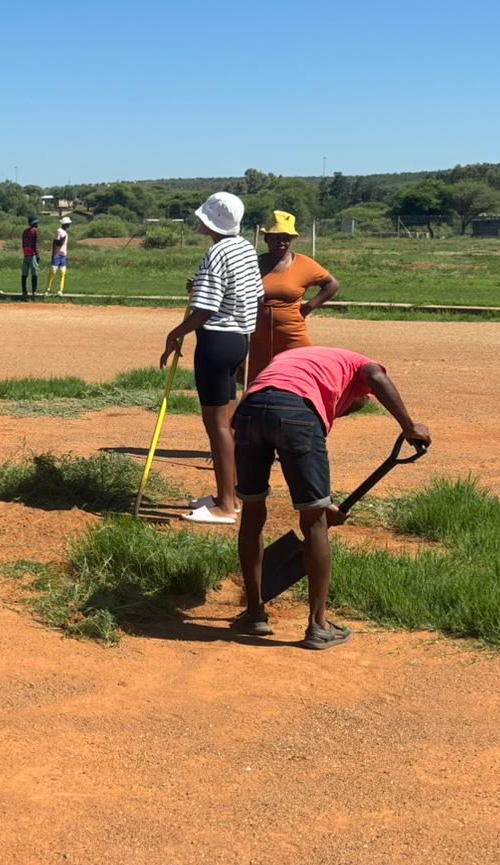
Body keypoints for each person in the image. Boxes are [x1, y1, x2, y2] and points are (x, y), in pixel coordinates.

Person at [232, 346, 431, 650]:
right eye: (349, 407)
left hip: (249, 411)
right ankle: (318, 626)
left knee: (253, 509)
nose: (341, 411)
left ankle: (255, 615)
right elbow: (375, 375)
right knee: (313, 523)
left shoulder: (297, 362)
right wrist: (409, 426)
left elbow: (278, 426)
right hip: (296, 412)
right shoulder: (359, 365)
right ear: (357, 392)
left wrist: (326, 506)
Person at [160, 191, 263, 524]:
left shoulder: (217, 252)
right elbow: (252, 294)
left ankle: (226, 506)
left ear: (210, 221)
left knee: (216, 426)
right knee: (226, 424)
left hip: (216, 343)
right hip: (238, 341)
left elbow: (205, 309)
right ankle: (227, 494)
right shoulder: (245, 248)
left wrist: (175, 333)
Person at [248, 211, 341, 382]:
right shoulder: (254, 263)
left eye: (286, 238)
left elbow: (332, 284)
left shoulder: (304, 264)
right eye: (276, 237)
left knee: (302, 377)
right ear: (266, 238)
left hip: (292, 334)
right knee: (258, 382)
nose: (281, 242)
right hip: (258, 336)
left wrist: (308, 308)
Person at [46, 216, 71, 296]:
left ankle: (60, 290)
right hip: (57, 254)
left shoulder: (65, 233)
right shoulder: (60, 231)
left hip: (63, 254)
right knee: (53, 271)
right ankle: (48, 289)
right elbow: (57, 242)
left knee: (62, 272)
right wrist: (53, 254)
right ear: (65, 224)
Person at [21, 216, 40, 299]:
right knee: (34, 273)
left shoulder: (25, 231)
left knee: (24, 274)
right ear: (34, 223)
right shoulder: (35, 231)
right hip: (32, 254)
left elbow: (23, 244)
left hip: (26, 254)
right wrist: (38, 255)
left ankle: (24, 291)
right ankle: (34, 291)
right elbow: (35, 244)